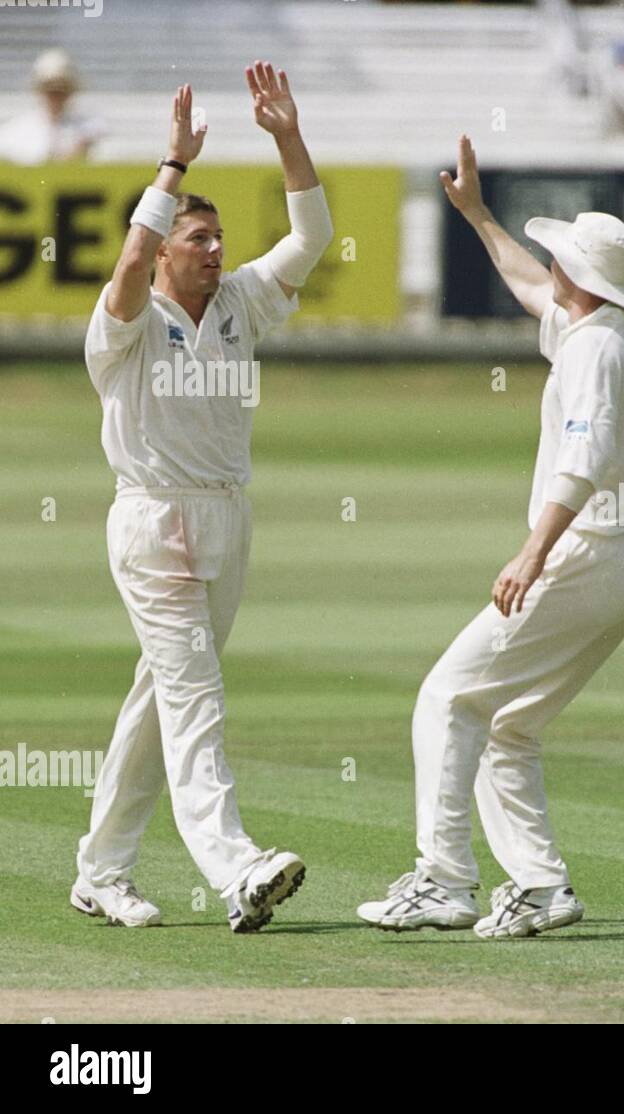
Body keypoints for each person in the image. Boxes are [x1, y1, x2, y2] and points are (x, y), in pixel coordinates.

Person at [357, 136, 624, 939]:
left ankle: (443, 880)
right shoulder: (610, 328)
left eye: (559, 257)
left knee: (447, 697)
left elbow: (585, 459)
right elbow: (532, 286)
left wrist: (534, 552)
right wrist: (479, 215)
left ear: (578, 277)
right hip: (622, 563)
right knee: (507, 725)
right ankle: (540, 886)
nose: (549, 265)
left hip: (585, 552)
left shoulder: (595, 347)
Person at [73, 63, 333, 932]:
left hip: (228, 515)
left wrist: (286, 136)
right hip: (156, 521)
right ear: (163, 250)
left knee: (161, 699)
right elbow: (132, 258)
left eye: (220, 238)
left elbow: (311, 239)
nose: (216, 251)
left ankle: (100, 870)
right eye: (200, 240)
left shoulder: (241, 304)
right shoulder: (124, 326)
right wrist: (171, 168)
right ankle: (238, 868)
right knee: (196, 699)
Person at [0, 49, 103, 165]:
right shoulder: (15, 131)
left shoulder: (89, 128)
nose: (56, 94)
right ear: (39, 89)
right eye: (50, 88)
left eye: (62, 88)